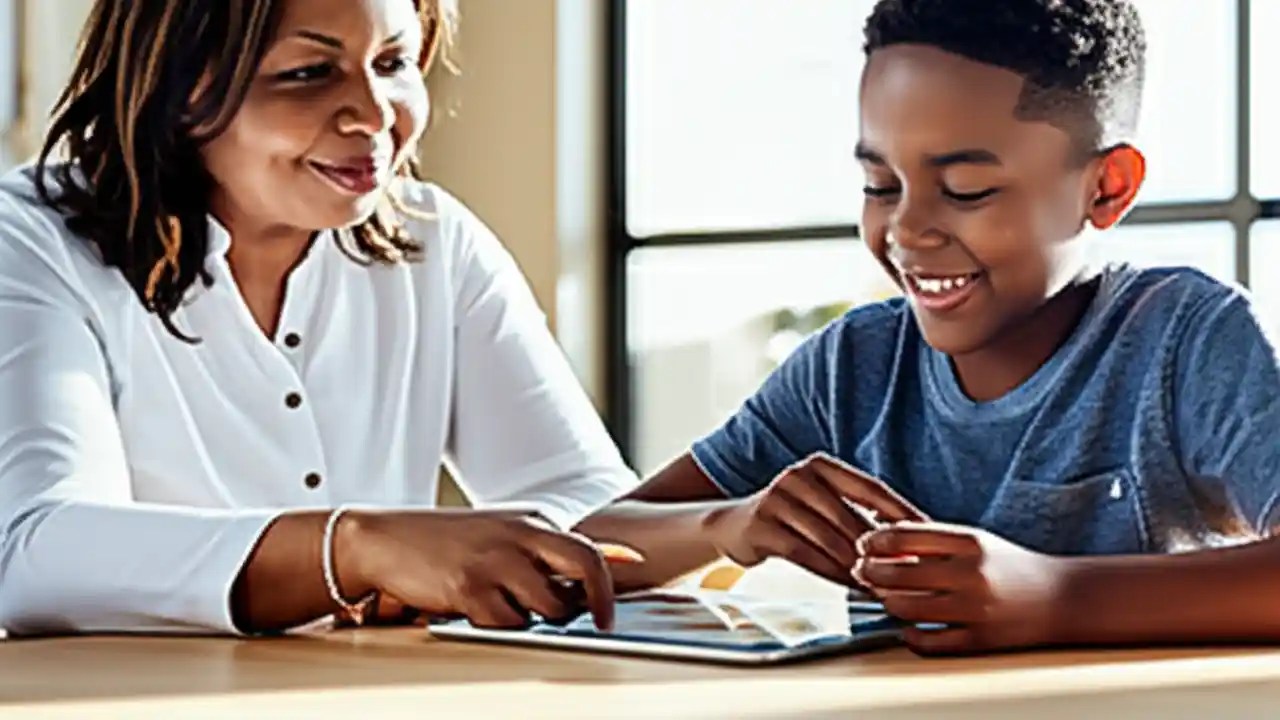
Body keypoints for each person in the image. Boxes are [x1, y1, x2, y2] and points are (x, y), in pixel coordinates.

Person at [578, 0, 1280, 655]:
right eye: (880, 187)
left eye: (966, 191)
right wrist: (727, 525)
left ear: (1106, 188)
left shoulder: (1183, 339)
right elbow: (591, 550)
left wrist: (1057, 593)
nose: (907, 229)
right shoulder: (853, 368)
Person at [0, 0, 637, 636]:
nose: (377, 115)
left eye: (392, 62)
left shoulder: (435, 241)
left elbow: (590, 501)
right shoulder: (31, 243)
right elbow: (35, 553)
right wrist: (357, 552)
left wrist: (715, 523)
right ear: (182, 87)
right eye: (309, 72)